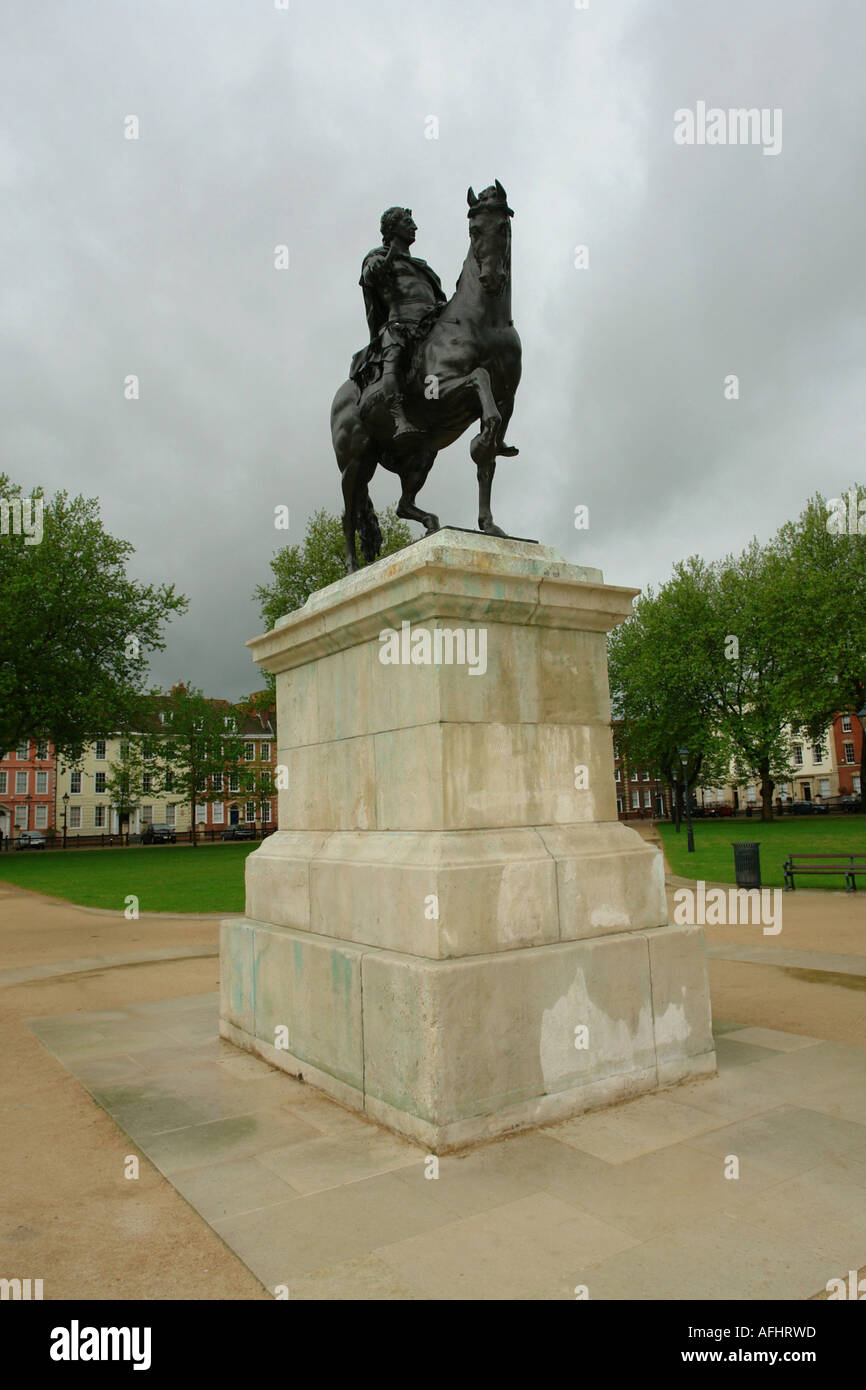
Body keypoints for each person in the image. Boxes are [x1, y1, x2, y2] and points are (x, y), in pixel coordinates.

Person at [352, 206, 446, 442]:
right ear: (393, 228)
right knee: (393, 355)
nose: (414, 227)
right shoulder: (377, 256)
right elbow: (371, 276)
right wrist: (383, 261)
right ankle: (399, 418)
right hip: (399, 324)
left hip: (430, 324)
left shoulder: (423, 267)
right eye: (407, 222)